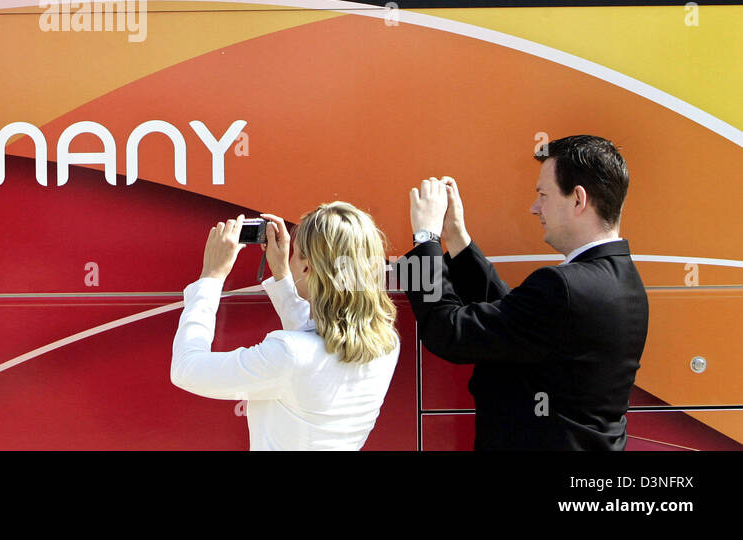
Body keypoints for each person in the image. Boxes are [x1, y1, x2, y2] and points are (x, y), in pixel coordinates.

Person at [403, 134, 649, 450]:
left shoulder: (564, 288)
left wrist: (425, 239)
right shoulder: (626, 281)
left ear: (578, 199)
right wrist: (457, 238)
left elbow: (448, 332)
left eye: (543, 195)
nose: (535, 208)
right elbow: (517, 319)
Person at [170, 203, 400, 450]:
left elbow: (187, 369)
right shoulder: (386, 344)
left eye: (295, 253)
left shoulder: (289, 353)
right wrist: (282, 274)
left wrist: (211, 277)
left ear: (307, 267)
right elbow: (312, 343)